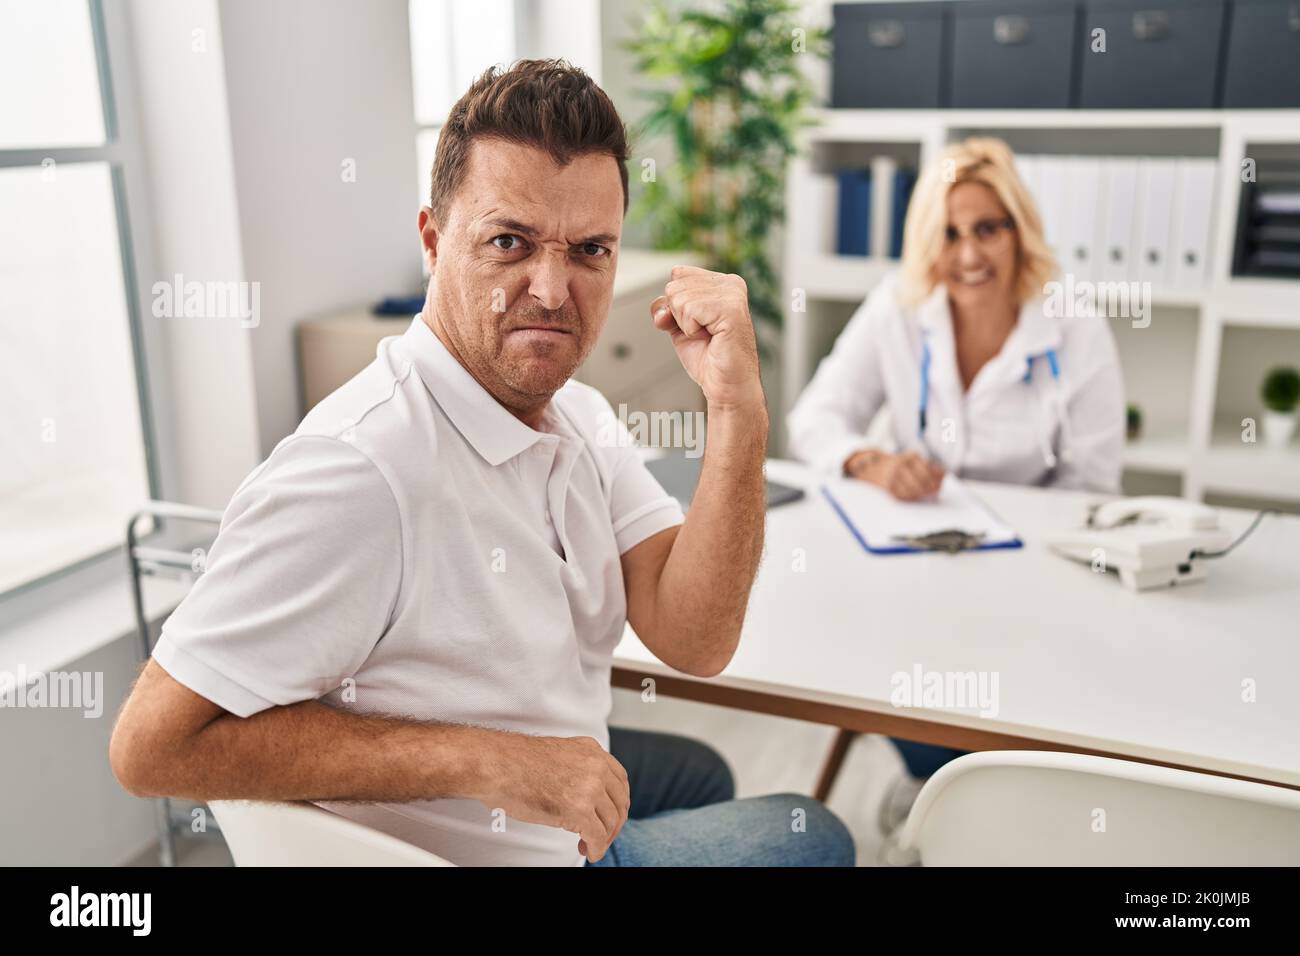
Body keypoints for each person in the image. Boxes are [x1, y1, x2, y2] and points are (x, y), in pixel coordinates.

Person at [109, 60, 854, 868]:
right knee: (814, 833)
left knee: (698, 770)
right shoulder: (358, 470)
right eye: (510, 242)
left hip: (550, 801)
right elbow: (150, 748)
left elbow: (695, 638)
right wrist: (489, 760)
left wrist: (738, 411)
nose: (552, 289)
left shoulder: (581, 416)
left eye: (589, 251)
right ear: (433, 241)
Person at [787, 137, 1125, 861]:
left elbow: (1094, 482)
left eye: (987, 228)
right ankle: (934, 783)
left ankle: (979, 797)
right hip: (921, 558)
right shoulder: (899, 309)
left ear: (1018, 230)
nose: (969, 253)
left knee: (1021, 681)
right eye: (948, 232)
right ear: (925, 241)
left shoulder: (1075, 323)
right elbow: (814, 417)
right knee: (880, 658)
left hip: (1036, 566)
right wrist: (872, 461)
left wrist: (1028, 546)